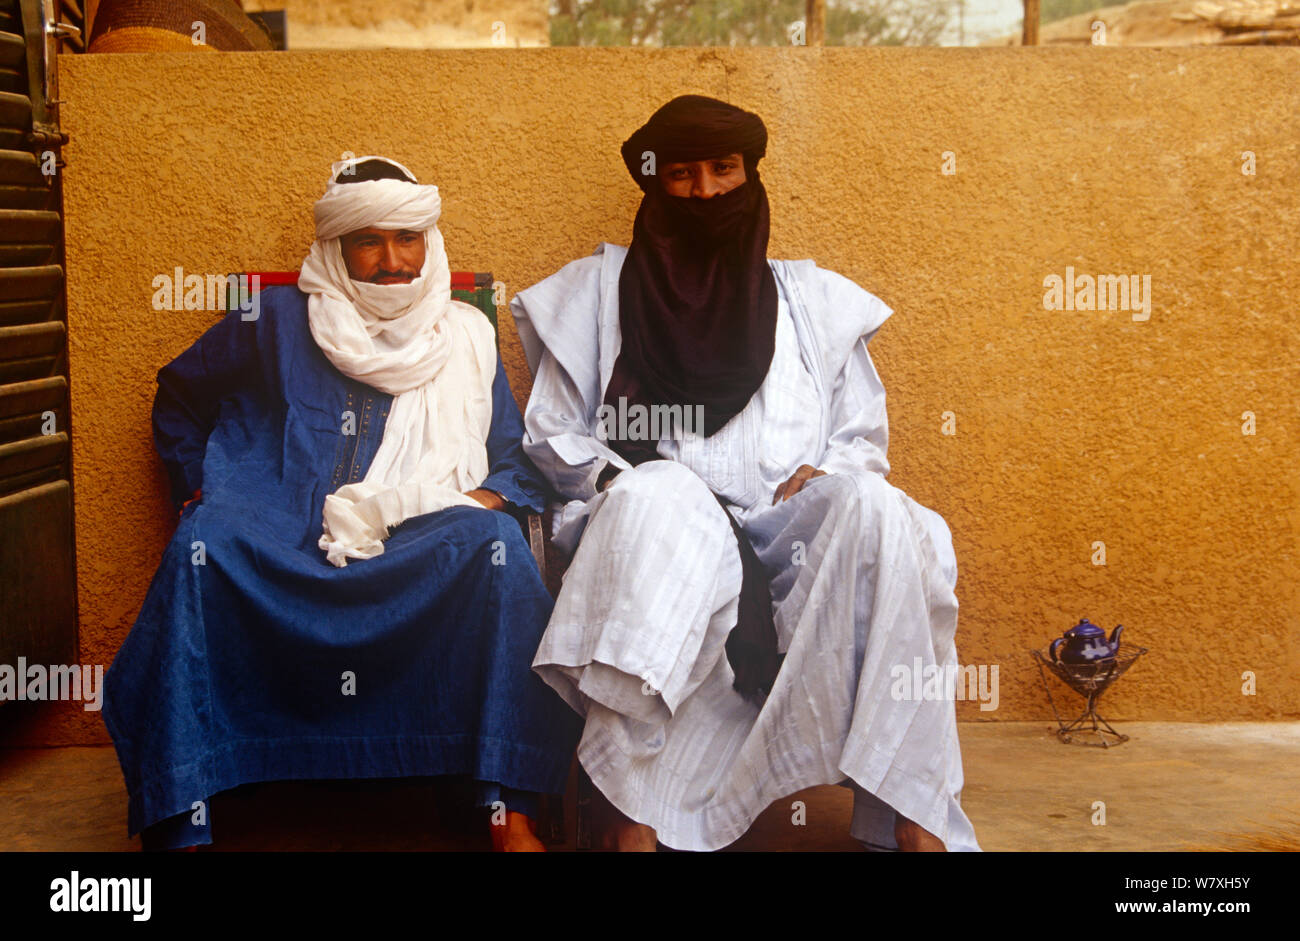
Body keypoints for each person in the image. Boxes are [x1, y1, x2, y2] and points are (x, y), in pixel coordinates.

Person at [510, 96, 980, 852]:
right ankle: (629, 819)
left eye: (723, 171)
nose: (704, 194)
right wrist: (613, 480)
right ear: (653, 186)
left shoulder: (812, 301)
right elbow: (556, 436)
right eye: (684, 176)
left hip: (784, 525)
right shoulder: (597, 294)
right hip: (663, 523)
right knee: (658, 498)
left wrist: (825, 471)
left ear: (751, 176)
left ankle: (916, 817)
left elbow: (861, 435)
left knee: (883, 511)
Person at [104, 155, 580, 852]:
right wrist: (198, 490)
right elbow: (179, 395)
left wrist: (488, 493)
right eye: (369, 240)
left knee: (499, 548)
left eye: (407, 238)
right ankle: (185, 819)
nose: (392, 260)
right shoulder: (271, 317)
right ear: (336, 245)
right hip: (274, 525)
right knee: (200, 550)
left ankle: (509, 812)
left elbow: (512, 451)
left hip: (414, 531)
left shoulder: (464, 335)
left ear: (428, 241)